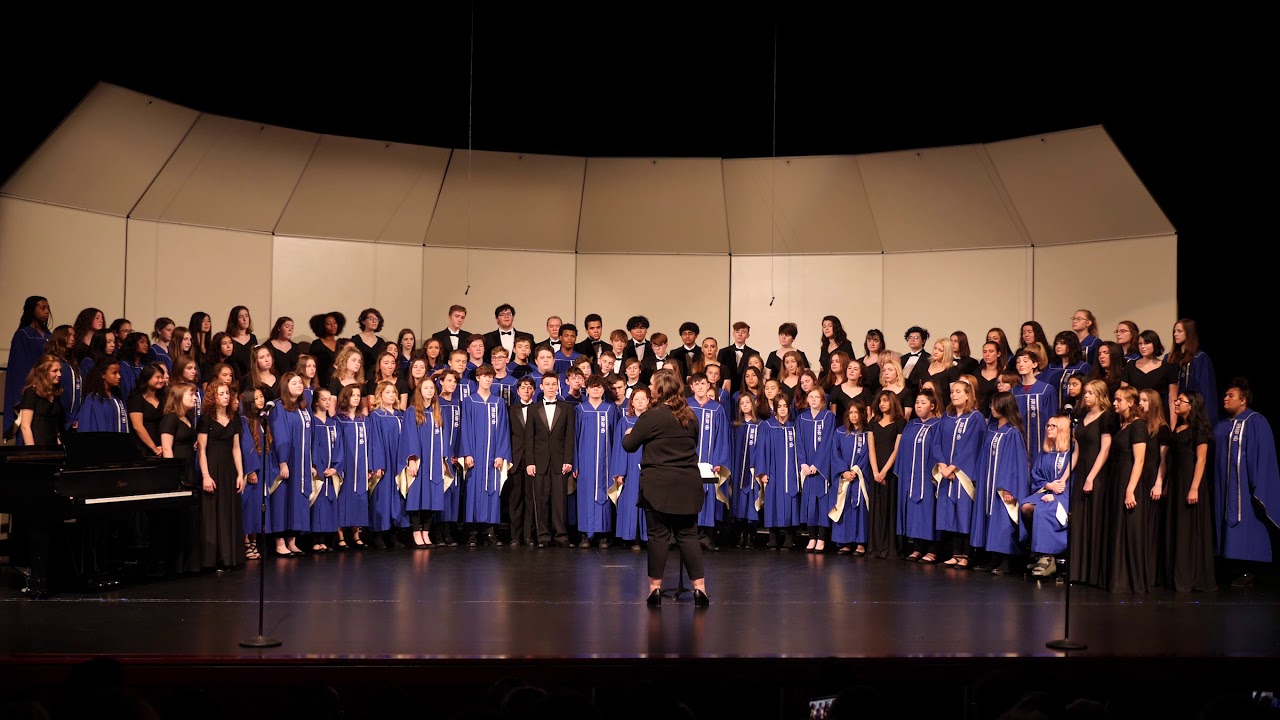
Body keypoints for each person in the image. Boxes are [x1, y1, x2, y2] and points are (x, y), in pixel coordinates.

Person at [621, 369, 710, 607]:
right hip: (687, 484)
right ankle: (700, 589)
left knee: (658, 537)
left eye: (651, 384)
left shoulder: (651, 416)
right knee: (688, 536)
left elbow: (629, 445)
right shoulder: (690, 415)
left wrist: (629, 432)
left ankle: (655, 589)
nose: (649, 388)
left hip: (658, 486)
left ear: (660, 388)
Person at [1213, 378, 1279, 588]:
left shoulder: (1256, 421)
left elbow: (1264, 456)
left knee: (1250, 524)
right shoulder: (1222, 425)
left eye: (1230, 396)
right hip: (1224, 486)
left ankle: (1250, 570)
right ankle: (1232, 569)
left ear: (1243, 400)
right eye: (1224, 395)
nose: (1225, 398)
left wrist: (1255, 484)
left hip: (1247, 487)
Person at [1170, 390, 1215, 592]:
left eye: (1181, 400)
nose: (1176, 403)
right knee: (1178, 526)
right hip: (1177, 482)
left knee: (1189, 528)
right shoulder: (1178, 428)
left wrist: (1194, 487)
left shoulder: (1200, 430)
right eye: (1176, 399)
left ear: (1192, 405)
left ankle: (1190, 576)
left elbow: (1202, 460)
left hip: (1191, 482)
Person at [197, 380, 244, 571]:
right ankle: (212, 559)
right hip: (213, 468)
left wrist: (240, 473)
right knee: (213, 513)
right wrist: (206, 475)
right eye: (221, 394)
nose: (226, 397)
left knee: (228, 511)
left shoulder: (234, 419)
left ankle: (229, 557)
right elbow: (201, 450)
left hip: (228, 470)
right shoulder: (206, 419)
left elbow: (236, 449)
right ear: (213, 397)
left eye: (227, 394)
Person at [525, 373, 576, 548]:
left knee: (559, 500)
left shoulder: (567, 408)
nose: (551, 387)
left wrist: (568, 460)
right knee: (541, 499)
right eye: (547, 384)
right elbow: (529, 437)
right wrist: (530, 462)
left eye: (554, 384)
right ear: (541, 387)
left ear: (558, 386)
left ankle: (561, 536)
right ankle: (543, 537)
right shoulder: (533, 409)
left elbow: (569, 437)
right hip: (539, 461)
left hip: (560, 460)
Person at [1020, 414, 1074, 578]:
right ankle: (1035, 550)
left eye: (1053, 426)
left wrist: (1056, 496)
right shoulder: (1045, 453)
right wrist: (1047, 486)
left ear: (1063, 429)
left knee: (1043, 511)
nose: (1048, 428)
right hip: (1045, 491)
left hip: (1065, 497)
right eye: (1047, 425)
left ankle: (1047, 556)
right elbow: (1036, 475)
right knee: (1025, 507)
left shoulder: (1071, 454)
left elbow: (1074, 481)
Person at [829, 399, 871, 555]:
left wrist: (856, 470)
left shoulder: (868, 433)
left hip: (860, 477)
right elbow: (835, 453)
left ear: (862, 414)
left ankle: (861, 542)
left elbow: (868, 454)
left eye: (857, 412)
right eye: (851, 412)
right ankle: (845, 541)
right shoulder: (840, 432)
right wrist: (844, 471)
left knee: (859, 507)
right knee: (844, 507)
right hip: (844, 477)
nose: (854, 416)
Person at [5, 295, 51, 436]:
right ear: (32, 310)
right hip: (32, 391)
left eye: (48, 308)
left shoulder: (49, 335)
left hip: (48, 391)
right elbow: (20, 369)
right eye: (42, 308)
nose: (47, 311)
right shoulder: (23, 335)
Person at [1167, 318, 1219, 425]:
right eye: (1174, 331)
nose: (1175, 334)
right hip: (1172, 411)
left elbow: (1205, 390)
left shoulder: (1199, 358)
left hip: (1192, 413)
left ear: (1189, 333)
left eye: (1179, 331)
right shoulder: (1169, 359)